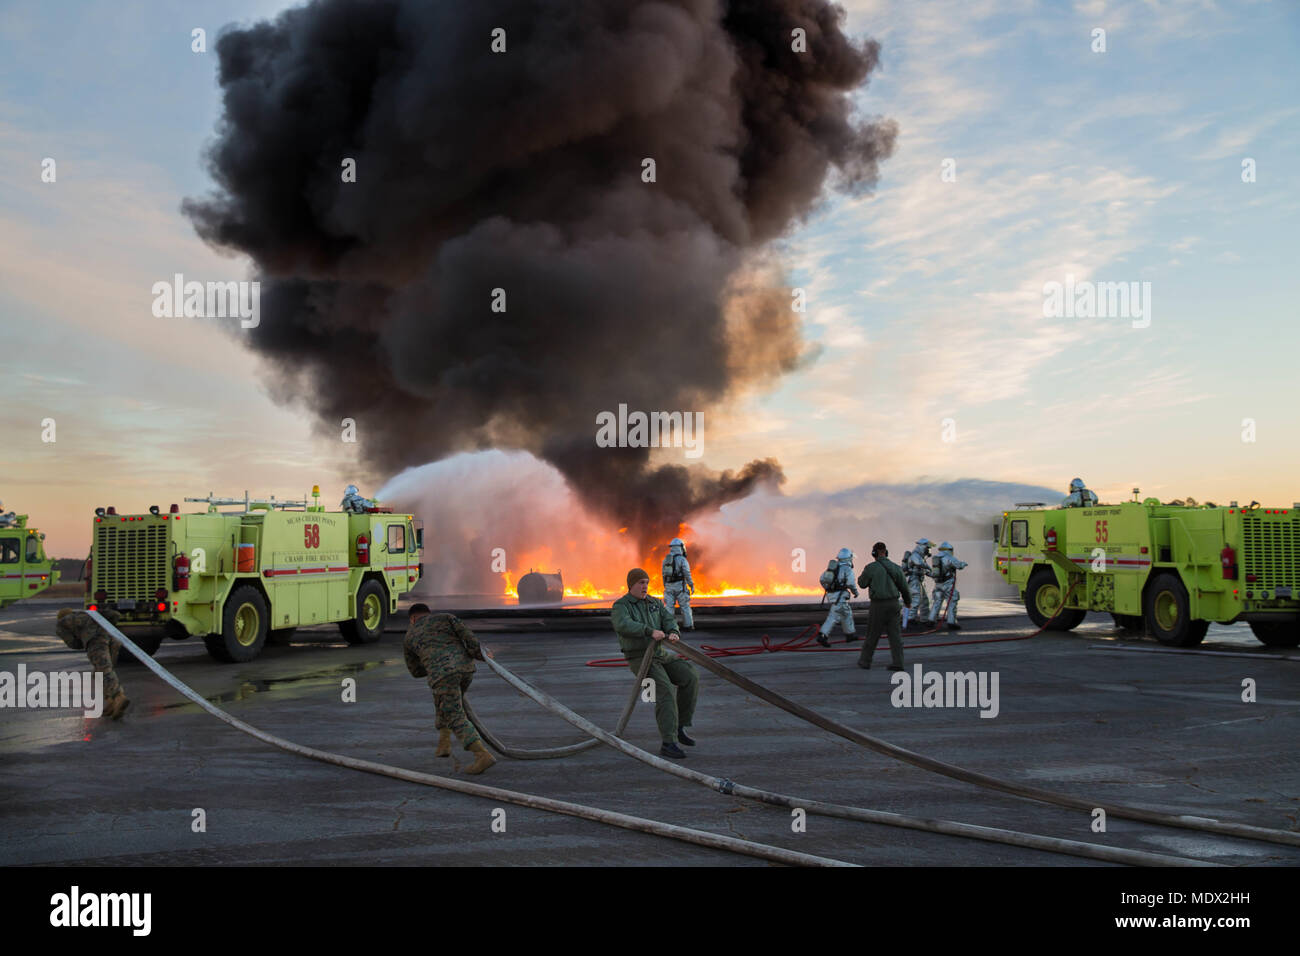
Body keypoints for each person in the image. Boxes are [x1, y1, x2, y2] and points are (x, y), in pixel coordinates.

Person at [612, 568, 698, 759]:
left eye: (646, 582)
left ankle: (680, 727)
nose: (645, 586)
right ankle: (668, 742)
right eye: (641, 583)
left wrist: (673, 631)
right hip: (639, 658)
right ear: (631, 585)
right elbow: (623, 624)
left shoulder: (654, 603)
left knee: (690, 675)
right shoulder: (621, 606)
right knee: (664, 690)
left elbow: (668, 620)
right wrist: (649, 631)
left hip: (660, 654)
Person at [403, 602, 495, 774]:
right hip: (466, 670)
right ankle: (444, 744)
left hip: (442, 675)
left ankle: (481, 755)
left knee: (454, 713)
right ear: (428, 614)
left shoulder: (409, 636)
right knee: (444, 702)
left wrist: (432, 664)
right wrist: (482, 656)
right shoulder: (447, 617)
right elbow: (469, 639)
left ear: (413, 618)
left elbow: (415, 671)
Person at [56, 608, 128, 719]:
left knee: (104, 671)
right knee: (100, 673)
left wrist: (83, 639)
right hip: (113, 640)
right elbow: (114, 615)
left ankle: (118, 697)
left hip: (96, 641)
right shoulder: (87, 614)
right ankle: (111, 701)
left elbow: (73, 644)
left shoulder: (61, 623)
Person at [856, 542, 911, 671]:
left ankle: (865, 661)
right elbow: (904, 587)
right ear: (886, 553)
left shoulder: (871, 568)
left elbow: (862, 584)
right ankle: (898, 663)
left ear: (874, 553)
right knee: (895, 635)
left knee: (872, 634)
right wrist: (908, 602)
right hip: (894, 604)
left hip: (878, 605)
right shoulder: (896, 568)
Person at [816, 548, 859, 647]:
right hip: (840, 597)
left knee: (847, 613)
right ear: (848, 558)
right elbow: (851, 583)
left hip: (834, 596)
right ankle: (822, 636)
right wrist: (855, 593)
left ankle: (850, 634)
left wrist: (829, 588)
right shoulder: (847, 569)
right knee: (833, 617)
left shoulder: (833, 568)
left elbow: (822, 579)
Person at [928, 542, 969, 630]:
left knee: (937, 602)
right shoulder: (949, 558)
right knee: (952, 602)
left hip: (938, 584)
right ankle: (951, 622)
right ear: (949, 550)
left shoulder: (936, 558)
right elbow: (959, 566)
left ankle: (931, 620)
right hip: (948, 585)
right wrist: (964, 564)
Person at [661, 537, 695, 631]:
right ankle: (688, 626)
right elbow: (687, 574)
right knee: (684, 606)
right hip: (680, 587)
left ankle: (670, 627)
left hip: (669, 587)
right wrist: (691, 585)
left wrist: (665, 585)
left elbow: (663, 574)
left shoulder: (666, 559)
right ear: (681, 547)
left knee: (669, 607)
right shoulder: (682, 560)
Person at [901, 538, 933, 629]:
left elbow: (925, 570)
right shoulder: (915, 555)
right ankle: (910, 619)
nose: (929, 550)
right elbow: (919, 564)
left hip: (919, 580)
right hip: (913, 580)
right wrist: (929, 568)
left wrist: (934, 575)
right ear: (922, 547)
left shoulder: (921, 557)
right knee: (916, 598)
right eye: (928, 547)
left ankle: (924, 619)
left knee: (925, 600)